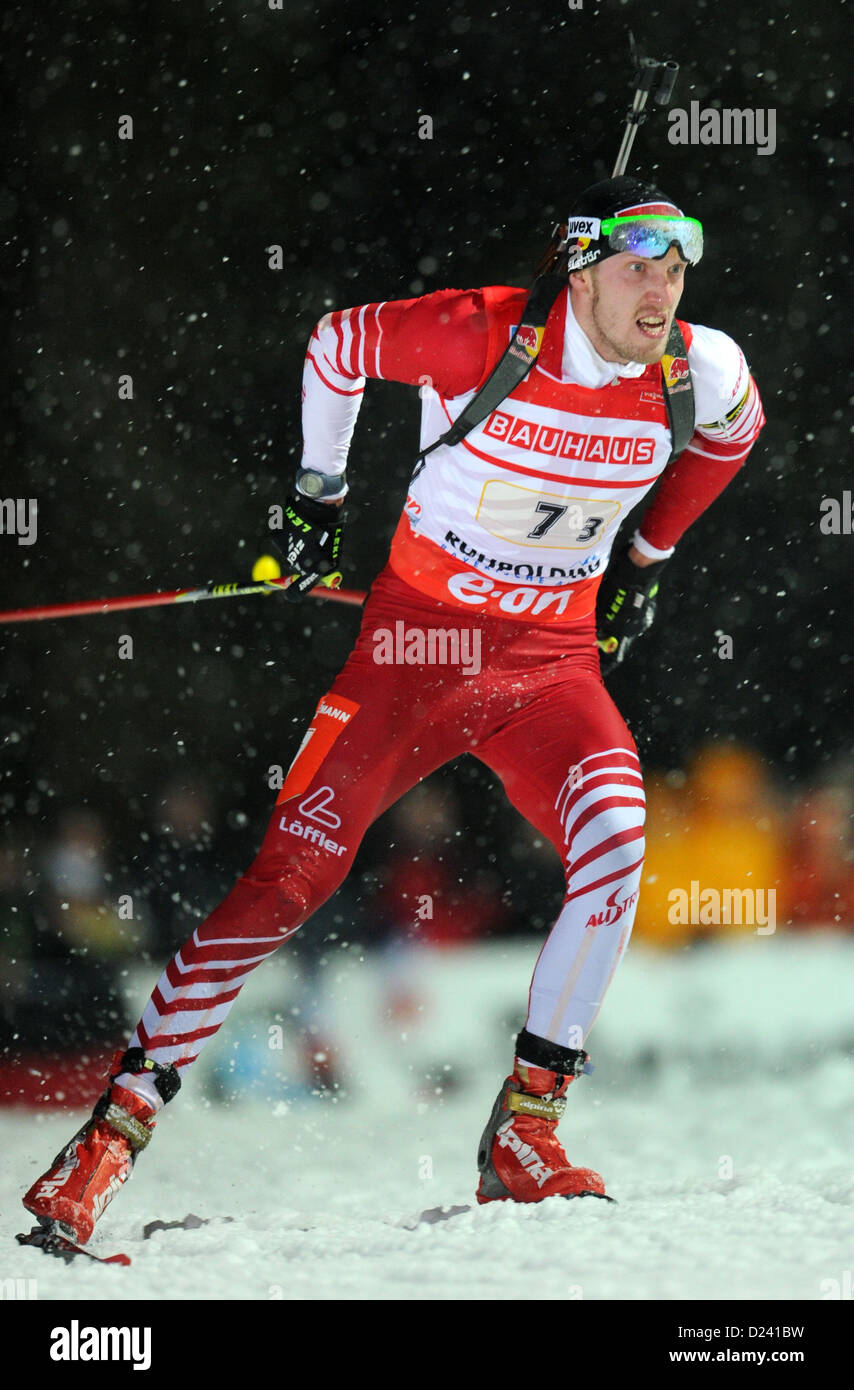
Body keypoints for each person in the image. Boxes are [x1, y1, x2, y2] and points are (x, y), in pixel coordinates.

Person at [23, 175, 765, 1243]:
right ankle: (102, 1144)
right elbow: (335, 345)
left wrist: (645, 555)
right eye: (639, 265)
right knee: (288, 881)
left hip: (548, 663)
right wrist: (316, 492)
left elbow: (730, 439)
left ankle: (525, 1135)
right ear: (580, 264)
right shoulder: (477, 337)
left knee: (617, 840)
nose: (662, 290)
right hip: (413, 652)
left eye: (678, 267)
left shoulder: (700, 368)